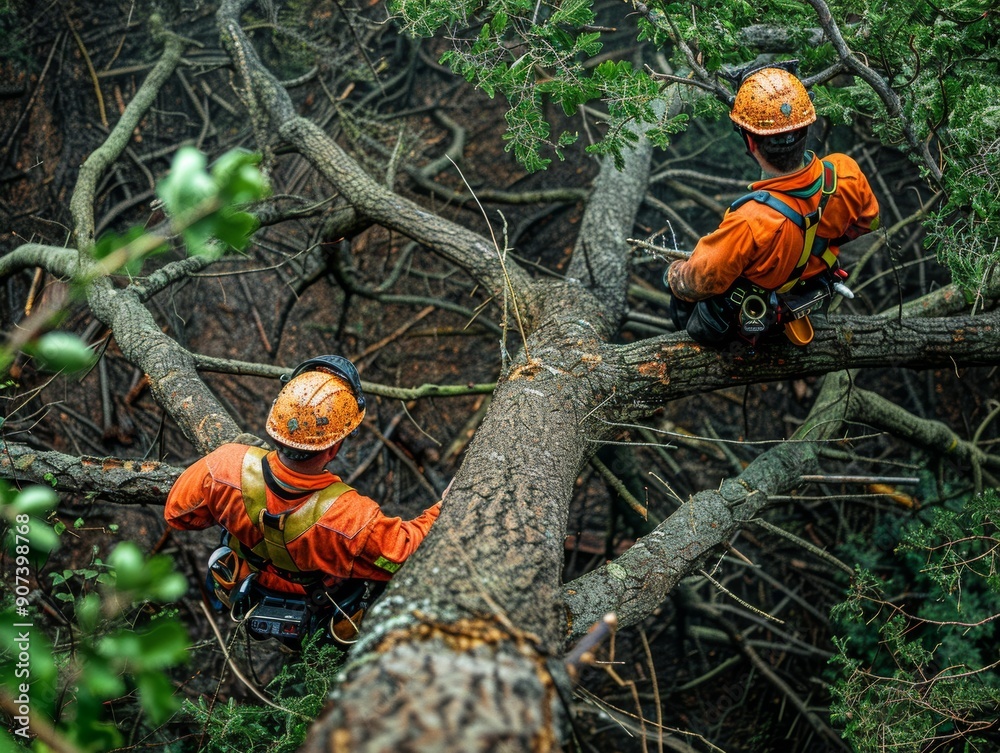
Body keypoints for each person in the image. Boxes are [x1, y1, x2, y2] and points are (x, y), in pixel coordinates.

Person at [164, 355, 442, 647]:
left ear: (276, 427)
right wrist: (443, 507)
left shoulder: (224, 467)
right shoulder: (351, 518)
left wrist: (237, 514)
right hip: (316, 608)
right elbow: (404, 555)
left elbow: (177, 515)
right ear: (333, 448)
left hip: (249, 586)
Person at [666, 64, 880, 348]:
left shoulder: (749, 222)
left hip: (759, 317)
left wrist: (673, 273)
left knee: (678, 290)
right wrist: (819, 240)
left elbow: (697, 281)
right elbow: (869, 221)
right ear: (806, 127)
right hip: (811, 289)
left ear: (751, 143)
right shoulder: (845, 173)